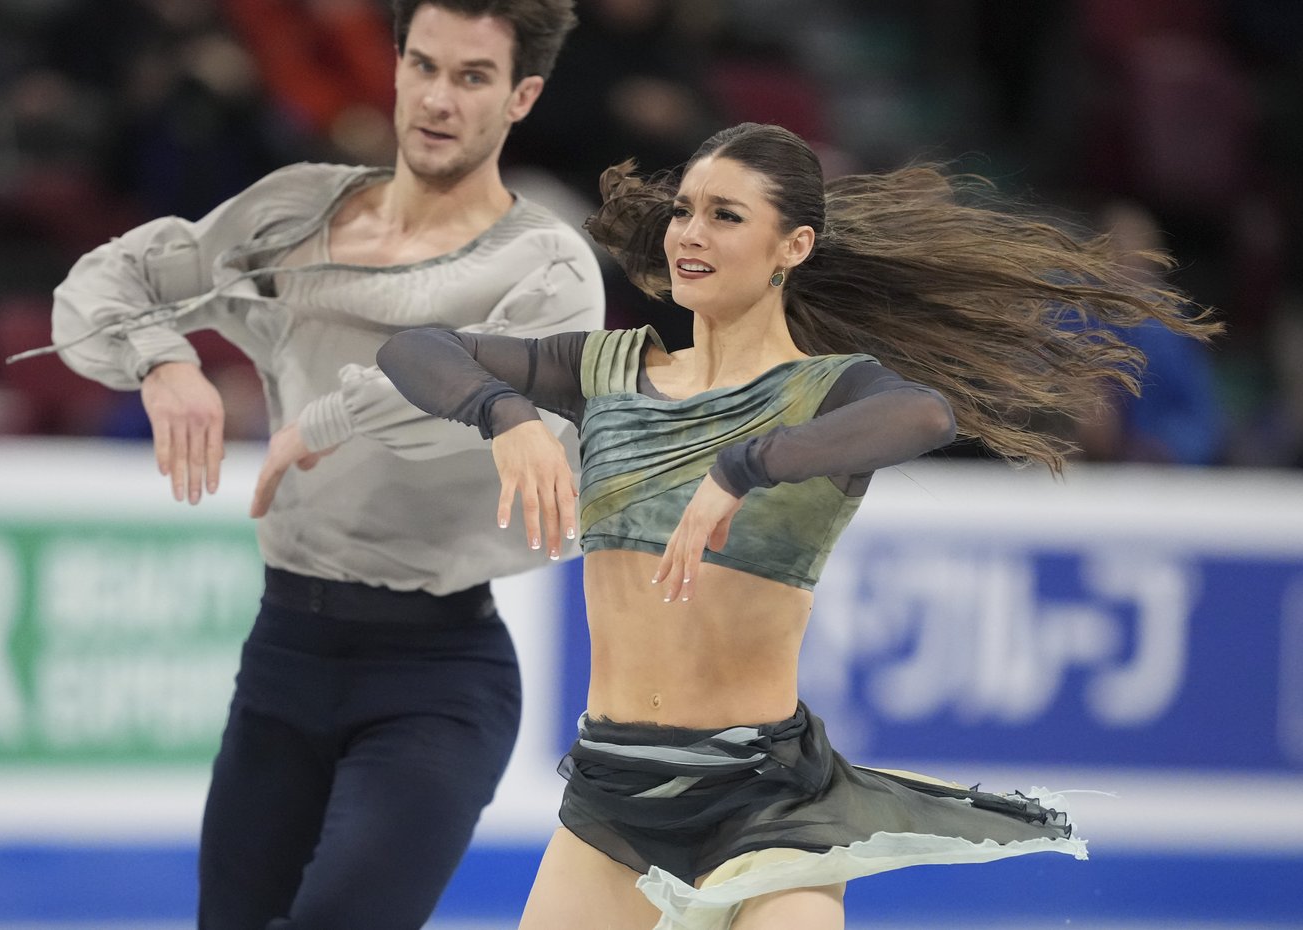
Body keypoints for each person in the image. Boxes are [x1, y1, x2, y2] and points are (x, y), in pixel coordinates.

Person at [376, 123, 1219, 929]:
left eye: (725, 216)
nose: (689, 235)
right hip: (612, 795)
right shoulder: (609, 370)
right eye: (685, 211)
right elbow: (414, 349)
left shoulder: (829, 392)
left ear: (795, 248)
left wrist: (744, 466)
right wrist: (508, 415)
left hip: (767, 805)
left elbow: (923, 415)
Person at [43, 2, 602, 928]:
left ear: (521, 97)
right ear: (393, 68)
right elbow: (109, 282)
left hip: (436, 677)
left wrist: (332, 417)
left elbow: (461, 398)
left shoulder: (545, 267)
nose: (437, 98)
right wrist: (164, 359)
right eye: (422, 66)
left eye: (471, 78)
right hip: (283, 658)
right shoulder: (297, 210)